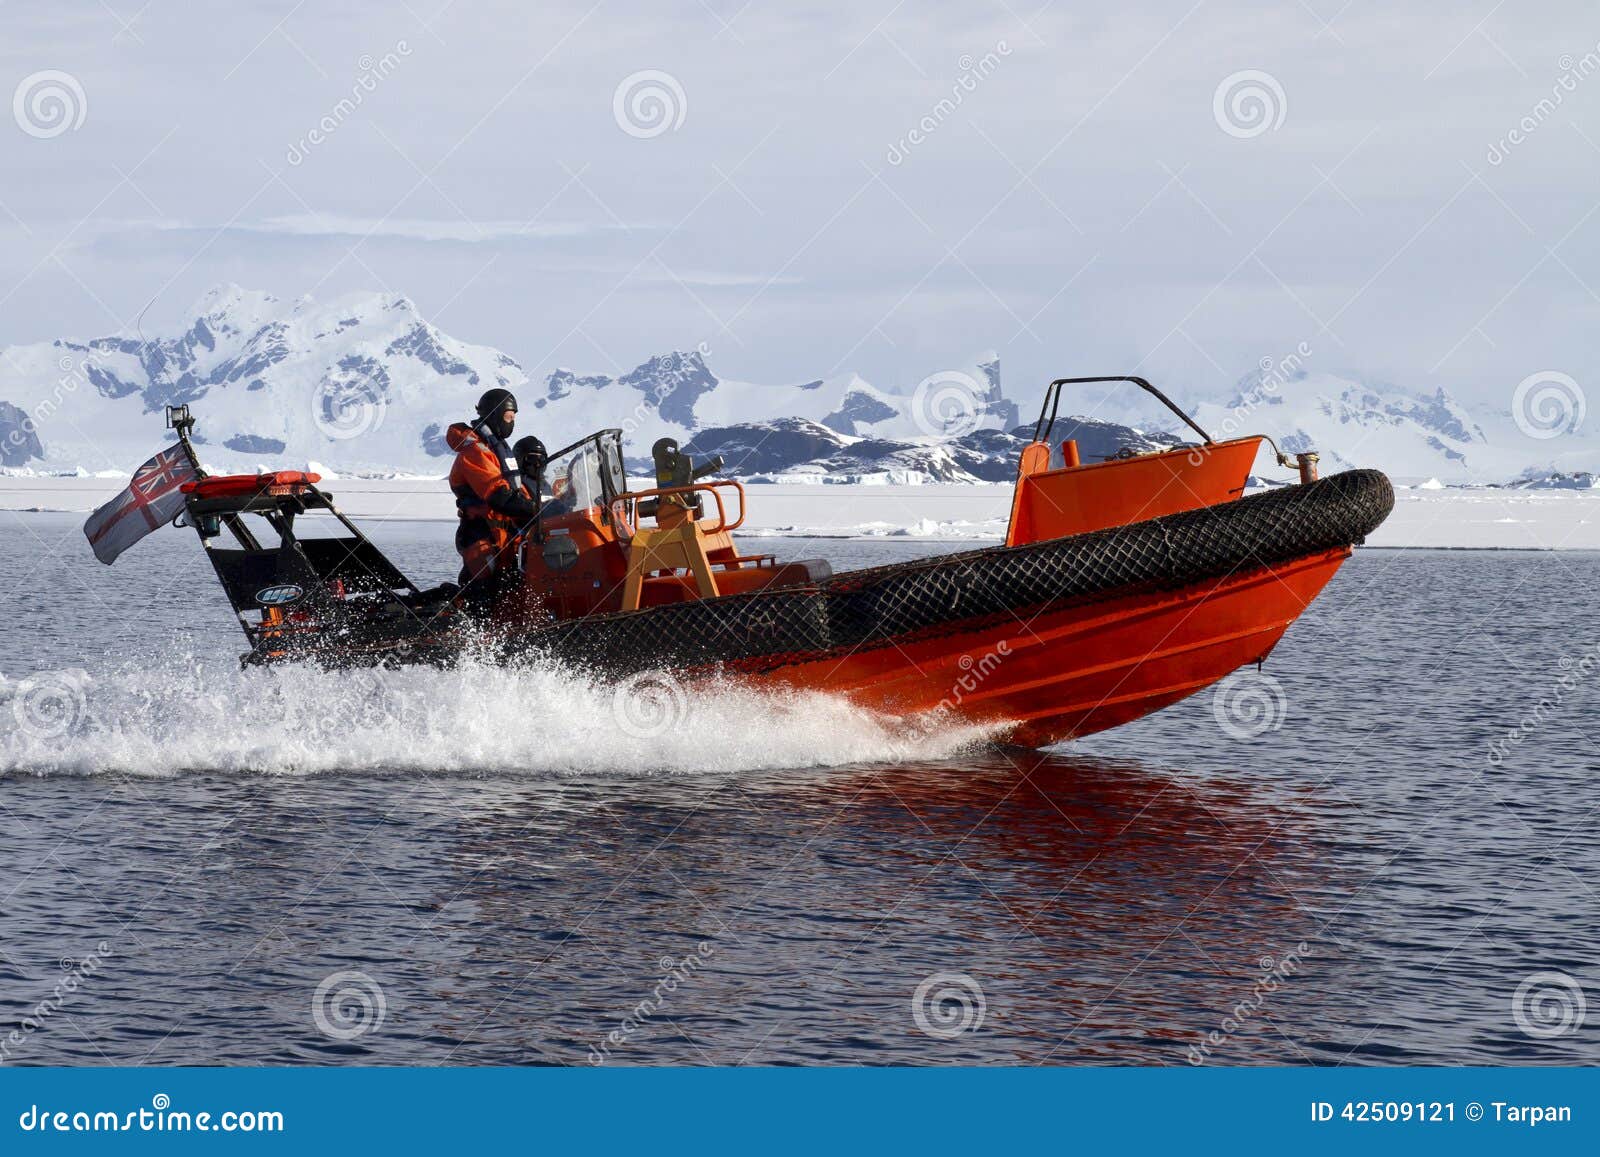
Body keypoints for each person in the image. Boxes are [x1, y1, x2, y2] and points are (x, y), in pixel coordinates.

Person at [445, 389, 540, 597]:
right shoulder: (475, 453)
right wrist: (534, 508)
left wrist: (548, 505)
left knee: (516, 580)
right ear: (495, 416)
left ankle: (524, 623)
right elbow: (498, 495)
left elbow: (515, 487)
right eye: (508, 417)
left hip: (506, 534)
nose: (512, 422)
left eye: (514, 417)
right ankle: (471, 627)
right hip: (481, 533)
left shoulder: (499, 450)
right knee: (482, 585)